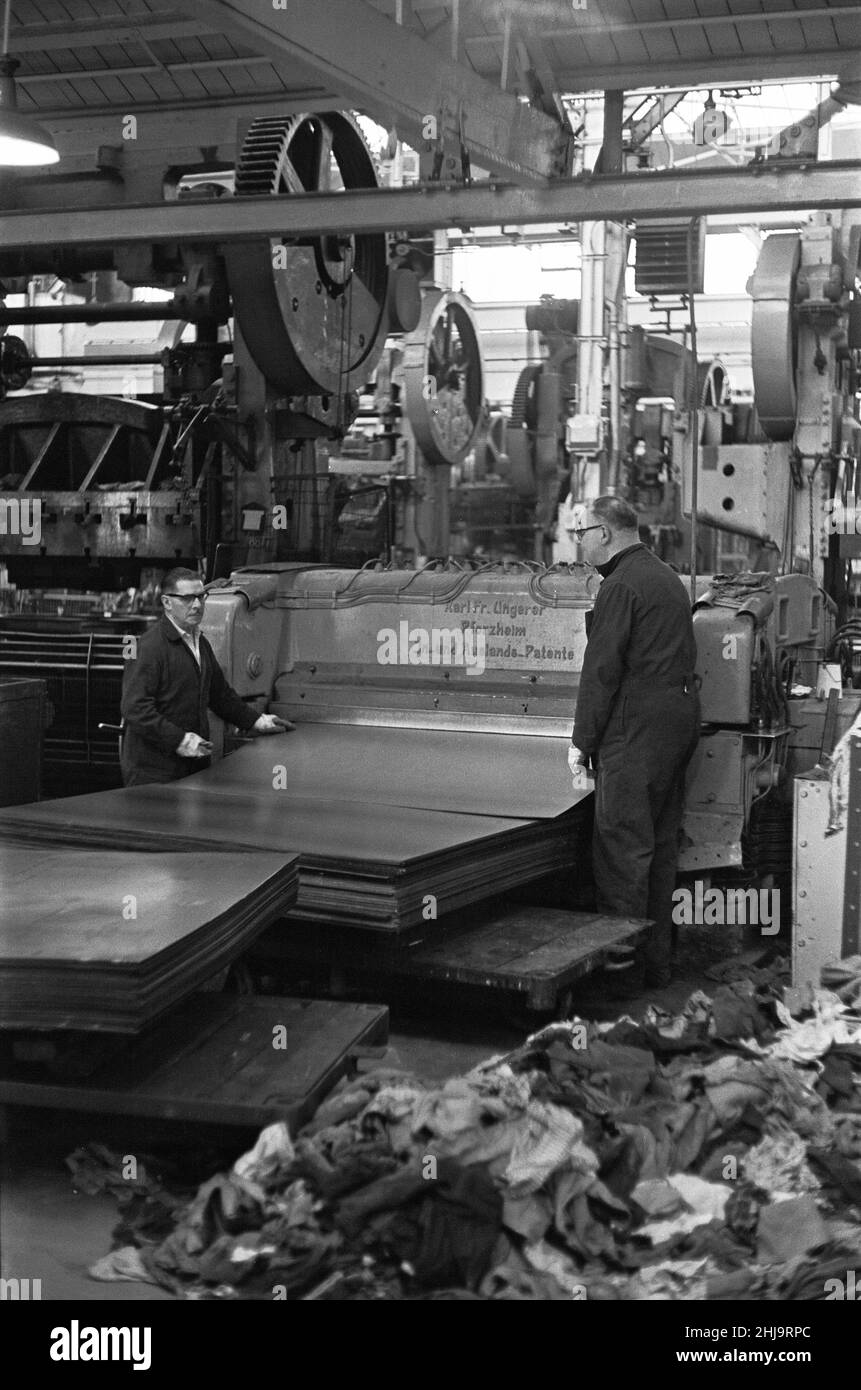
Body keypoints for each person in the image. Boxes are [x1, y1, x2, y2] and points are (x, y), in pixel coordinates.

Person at [568, 496, 700, 990]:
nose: (578, 542)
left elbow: (601, 671)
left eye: (581, 532)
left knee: (623, 852)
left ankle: (619, 979)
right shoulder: (665, 576)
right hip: (677, 722)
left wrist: (581, 741)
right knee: (661, 849)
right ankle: (656, 968)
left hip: (637, 730)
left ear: (604, 532)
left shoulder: (620, 586)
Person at [120, 567, 294, 787]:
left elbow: (220, 695)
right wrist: (181, 740)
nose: (197, 605)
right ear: (166, 602)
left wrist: (257, 721)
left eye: (201, 597)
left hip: (192, 765)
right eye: (187, 598)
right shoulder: (148, 647)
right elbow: (134, 708)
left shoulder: (200, 643)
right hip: (154, 773)